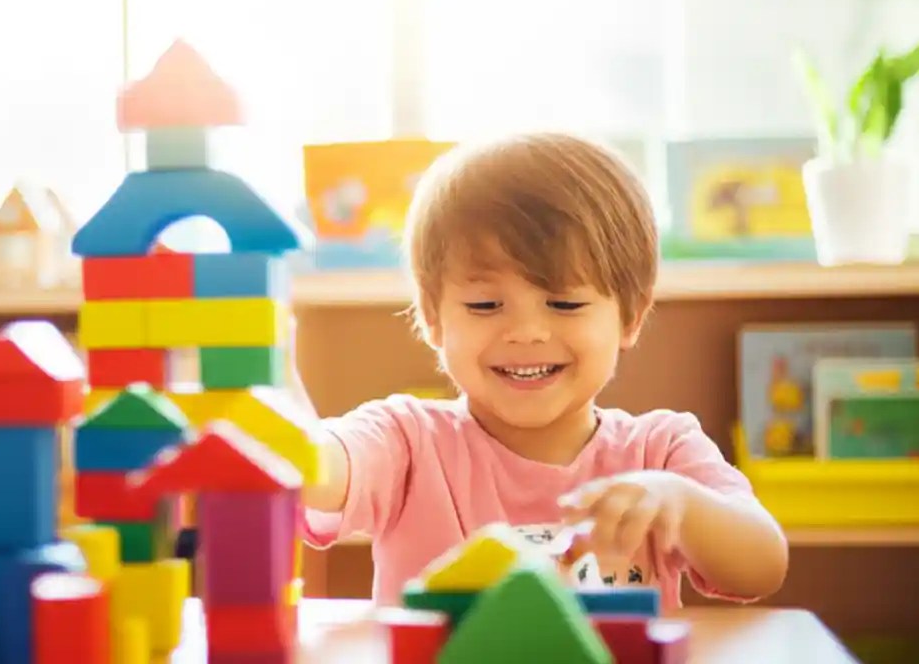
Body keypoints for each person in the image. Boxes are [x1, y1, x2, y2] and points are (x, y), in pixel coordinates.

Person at [295, 132, 789, 610]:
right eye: (486, 304)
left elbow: (763, 567)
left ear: (631, 316)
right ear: (432, 317)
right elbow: (313, 466)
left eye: (565, 303)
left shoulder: (660, 451)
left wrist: (681, 505)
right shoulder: (405, 440)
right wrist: (270, 381)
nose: (526, 332)